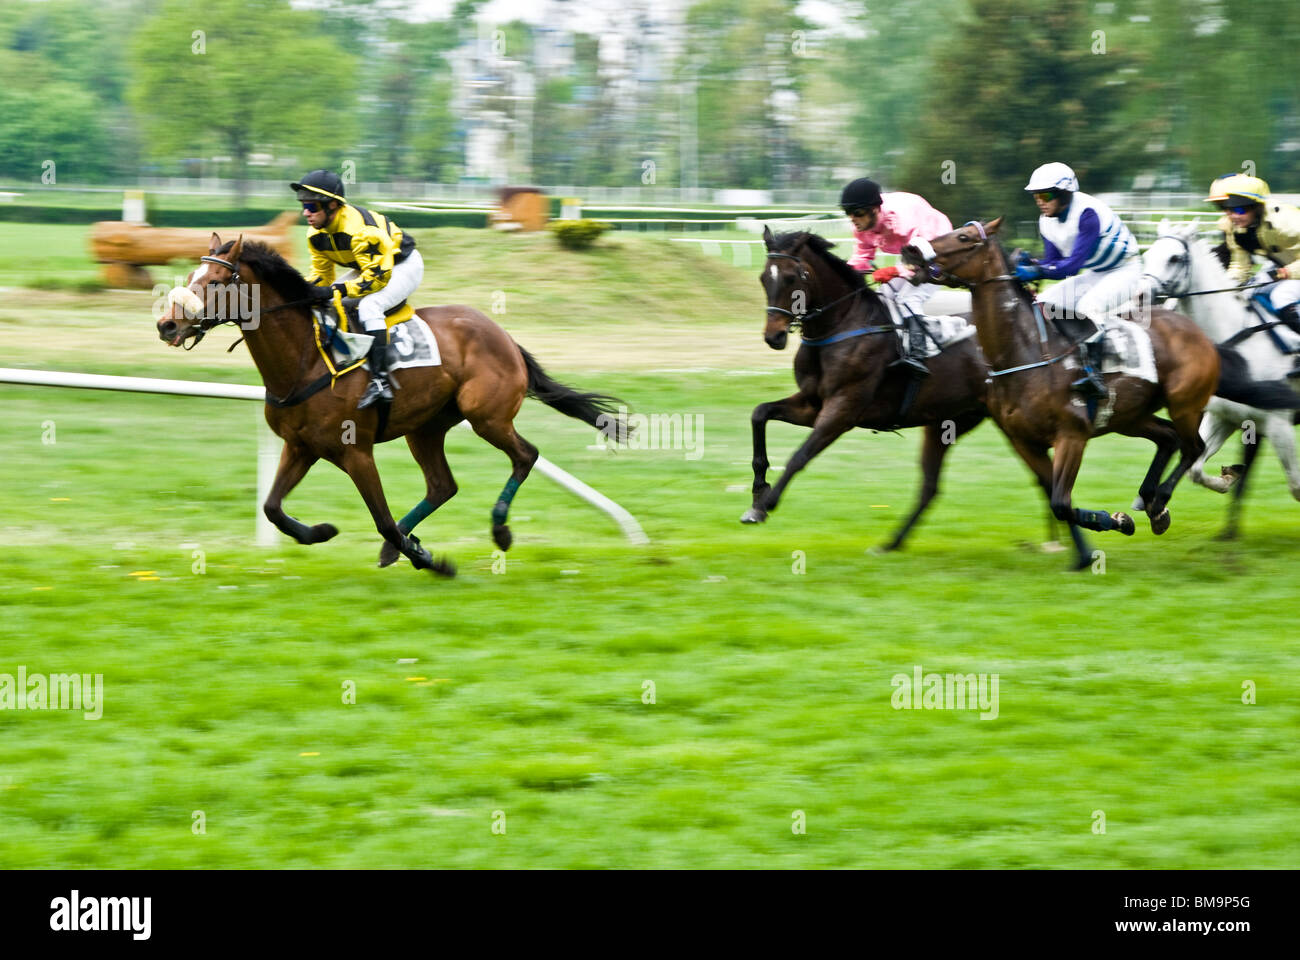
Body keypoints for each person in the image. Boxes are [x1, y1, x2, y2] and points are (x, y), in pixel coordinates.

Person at [291, 169, 423, 408]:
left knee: (370, 306)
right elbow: (322, 276)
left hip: (401, 266)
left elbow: (376, 279)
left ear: (331, 205)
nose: (305, 213)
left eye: (311, 206)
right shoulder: (315, 235)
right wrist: (300, 292)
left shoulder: (362, 232)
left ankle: (380, 382)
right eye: (303, 205)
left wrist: (337, 290)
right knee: (326, 303)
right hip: (367, 266)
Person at [1012, 162, 1141, 400]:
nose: (1040, 201)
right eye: (1036, 196)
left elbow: (1069, 267)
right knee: (1042, 303)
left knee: (1088, 308)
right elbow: (1054, 261)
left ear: (1064, 194)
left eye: (1046, 195)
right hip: (1096, 272)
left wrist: (1036, 271)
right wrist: (1035, 265)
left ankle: (1094, 375)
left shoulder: (1087, 214)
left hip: (1126, 270)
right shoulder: (1045, 220)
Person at [840, 177, 954, 376]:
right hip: (912, 253)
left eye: (857, 214)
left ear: (875, 209)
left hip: (937, 249)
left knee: (908, 298)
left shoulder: (903, 218)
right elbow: (861, 258)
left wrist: (892, 271)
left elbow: (920, 261)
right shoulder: (861, 228)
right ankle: (893, 347)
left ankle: (918, 355)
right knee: (884, 296)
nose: (853, 219)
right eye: (849, 214)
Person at [1206, 173, 1300, 337]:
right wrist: (1229, 285)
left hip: (1290, 272)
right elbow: (1239, 265)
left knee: (1282, 295)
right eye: (1225, 209)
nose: (1233, 216)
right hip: (1288, 270)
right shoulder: (1233, 227)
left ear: (1257, 207)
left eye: (1239, 209)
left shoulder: (1286, 221)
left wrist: (1279, 274)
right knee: (1246, 294)